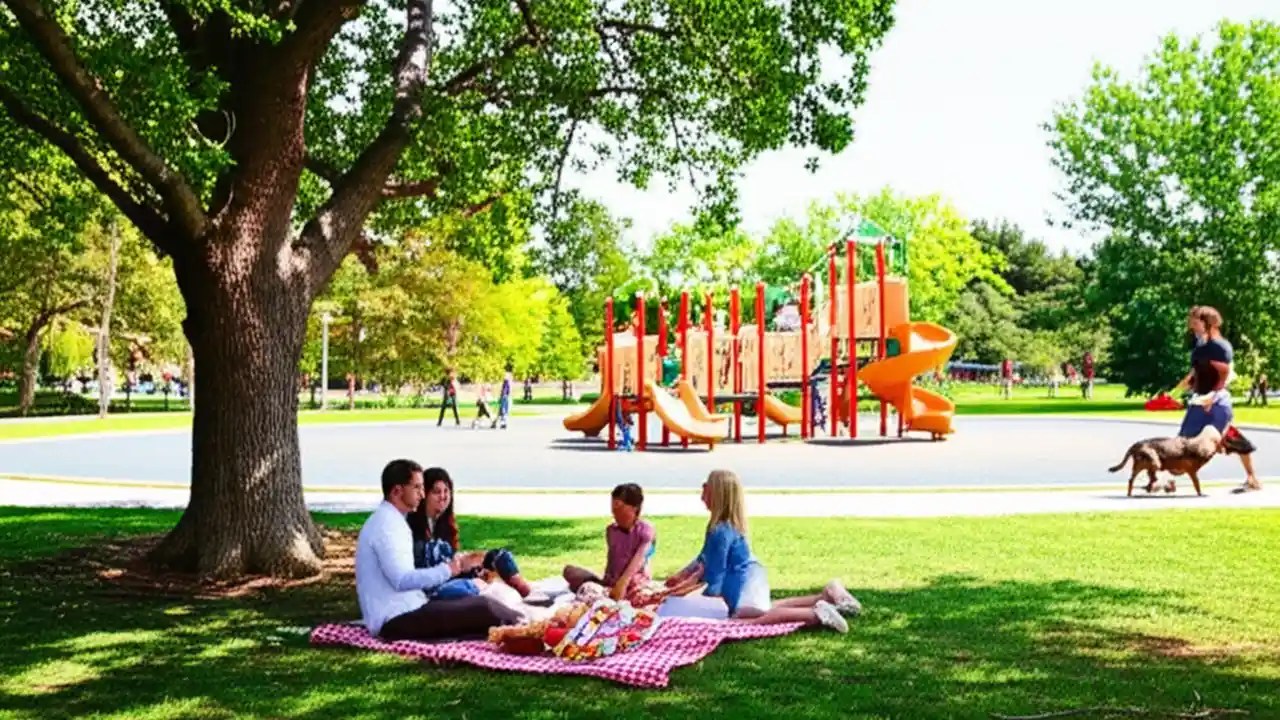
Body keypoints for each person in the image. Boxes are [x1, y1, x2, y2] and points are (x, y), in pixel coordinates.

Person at [656, 470, 859, 633]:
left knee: (749, 618)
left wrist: (697, 595)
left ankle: (814, 614)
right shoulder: (722, 526)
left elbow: (714, 574)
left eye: (706, 488)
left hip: (743, 582)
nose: (702, 493)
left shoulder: (720, 531)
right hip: (749, 578)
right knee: (764, 607)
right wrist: (681, 576)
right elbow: (704, 558)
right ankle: (826, 595)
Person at [355, 459, 521, 641]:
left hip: (409, 608)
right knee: (486, 608)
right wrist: (448, 569)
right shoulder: (388, 525)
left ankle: (520, 626)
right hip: (395, 619)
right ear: (397, 491)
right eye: (417, 488)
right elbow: (401, 580)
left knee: (483, 612)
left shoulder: (392, 520)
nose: (422, 494)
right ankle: (526, 626)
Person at [406, 467, 537, 599]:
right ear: (424, 495)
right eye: (436, 492)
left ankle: (528, 593)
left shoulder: (443, 526)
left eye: (446, 491)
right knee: (466, 586)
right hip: (435, 589)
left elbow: (451, 560)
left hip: (453, 576)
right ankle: (481, 586)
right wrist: (458, 566)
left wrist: (467, 562)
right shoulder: (413, 531)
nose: (443, 497)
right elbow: (423, 575)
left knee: (498, 556)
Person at [1169, 306, 1261, 493]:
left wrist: (1214, 395)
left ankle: (1168, 479)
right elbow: (1195, 374)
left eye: (1195, 322)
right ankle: (1252, 479)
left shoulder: (1220, 347)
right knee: (1185, 443)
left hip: (1216, 404)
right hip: (1200, 401)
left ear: (1208, 323)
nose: (1191, 326)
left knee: (1189, 445)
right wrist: (1173, 393)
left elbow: (1227, 373)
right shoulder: (1201, 345)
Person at [563, 483, 657, 603]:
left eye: (620, 508)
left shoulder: (645, 530)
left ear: (634, 508)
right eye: (613, 509)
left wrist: (622, 584)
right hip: (610, 583)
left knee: (639, 594)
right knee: (570, 571)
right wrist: (609, 583)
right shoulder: (611, 531)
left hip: (634, 582)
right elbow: (612, 563)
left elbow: (638, 561)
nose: (615, 513)